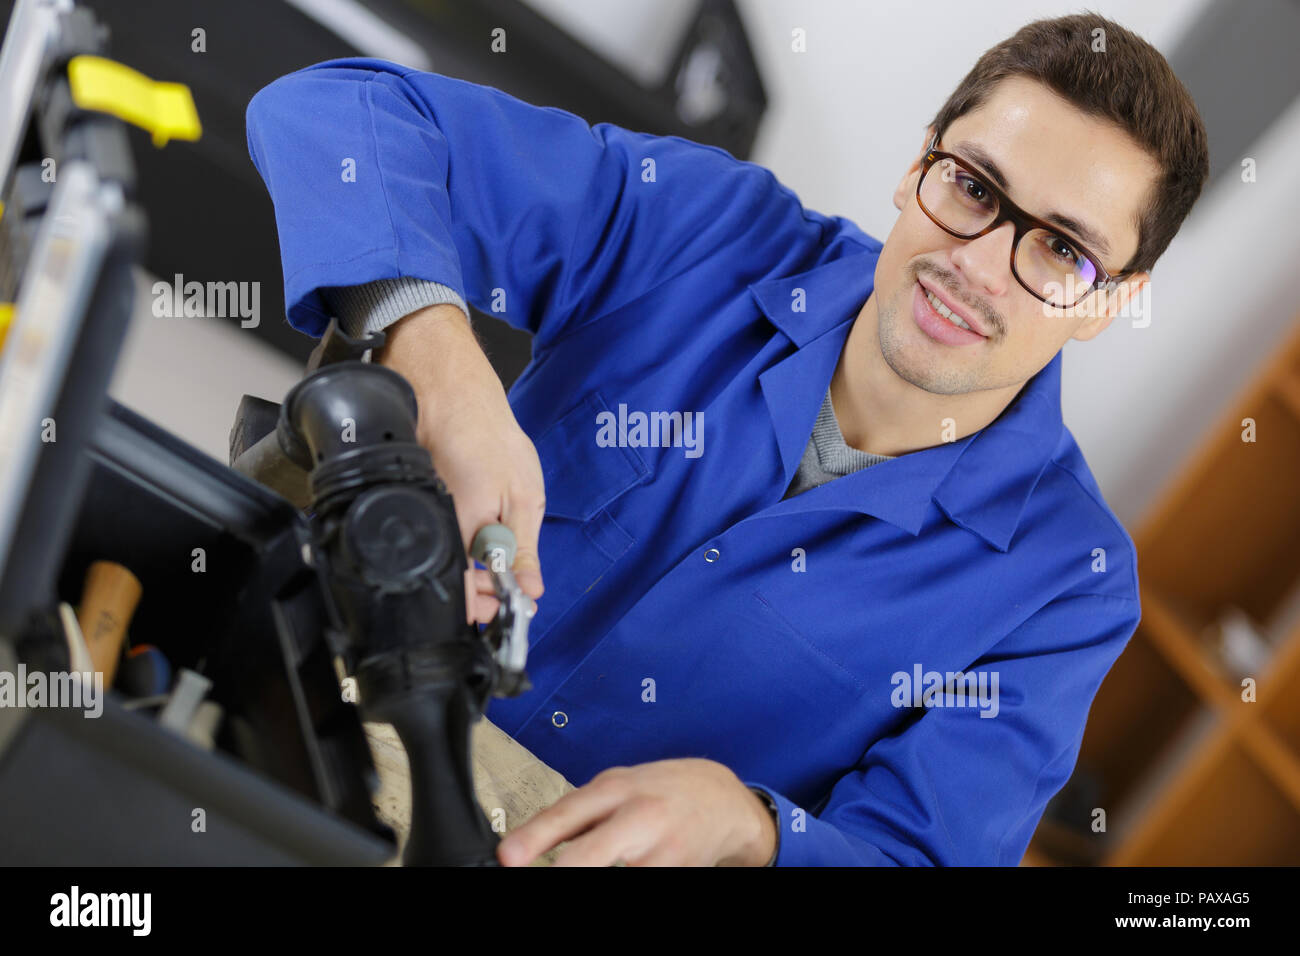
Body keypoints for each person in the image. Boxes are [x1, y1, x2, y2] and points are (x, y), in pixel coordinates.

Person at [245, 12, 1208, 866]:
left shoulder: (1065, 586)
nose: (979, 267)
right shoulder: (711, 231)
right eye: (974, 187)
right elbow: (334, 111)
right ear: (918, 167)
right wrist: (439, 358)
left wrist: (755, 830)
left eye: (1062, 251)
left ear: (1111, 304)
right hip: (311, 728)